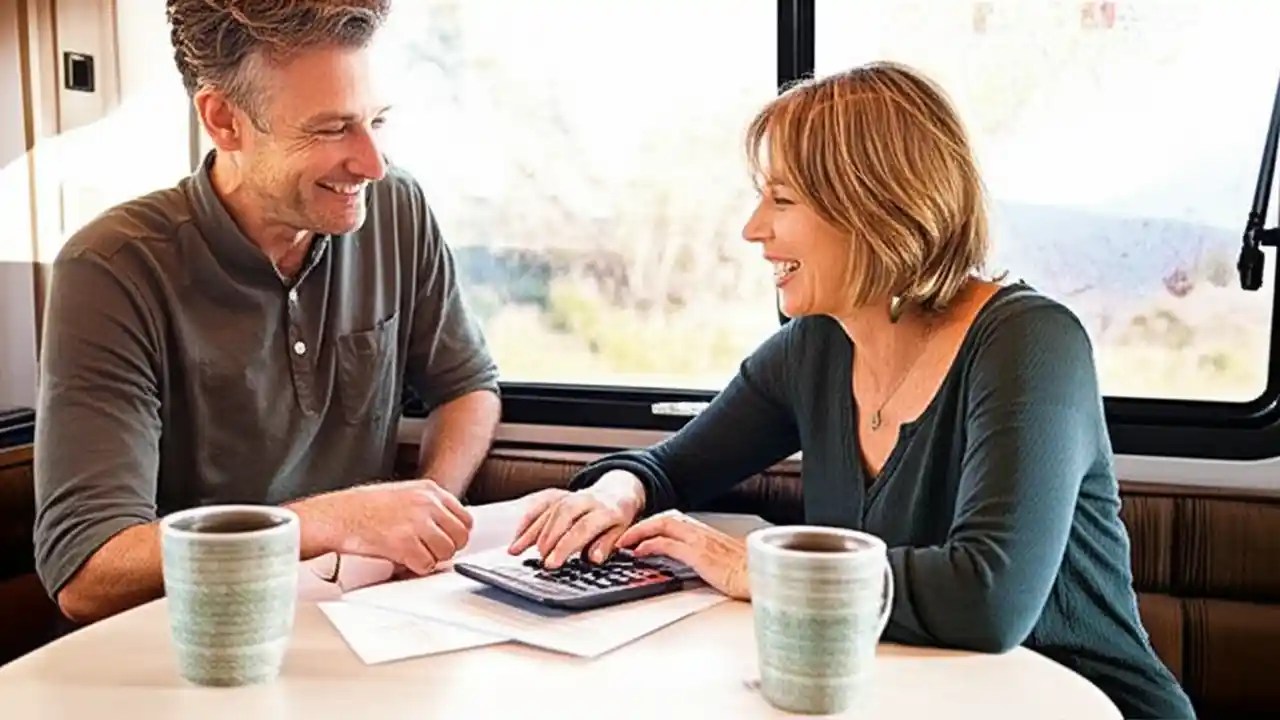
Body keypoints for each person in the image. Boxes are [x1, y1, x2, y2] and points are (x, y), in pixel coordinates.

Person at [509, 62, 1195, 719]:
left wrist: (754, 566)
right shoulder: (816, 348)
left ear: (874, 210)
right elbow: (669, 468)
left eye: (782, 200)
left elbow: (990, 599)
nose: (754, 230)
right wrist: (613, 493)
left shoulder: (1030, 343)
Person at [33, 0, 500, 624]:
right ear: (224, 120)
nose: (372, 163)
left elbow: (467, 386)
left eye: (376, 121)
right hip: (204, 643)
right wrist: (338, 521)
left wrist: (428, 511)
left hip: (369, 619)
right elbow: (87, 570)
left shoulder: (396, 209)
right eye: (332, 129)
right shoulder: (111, 267)